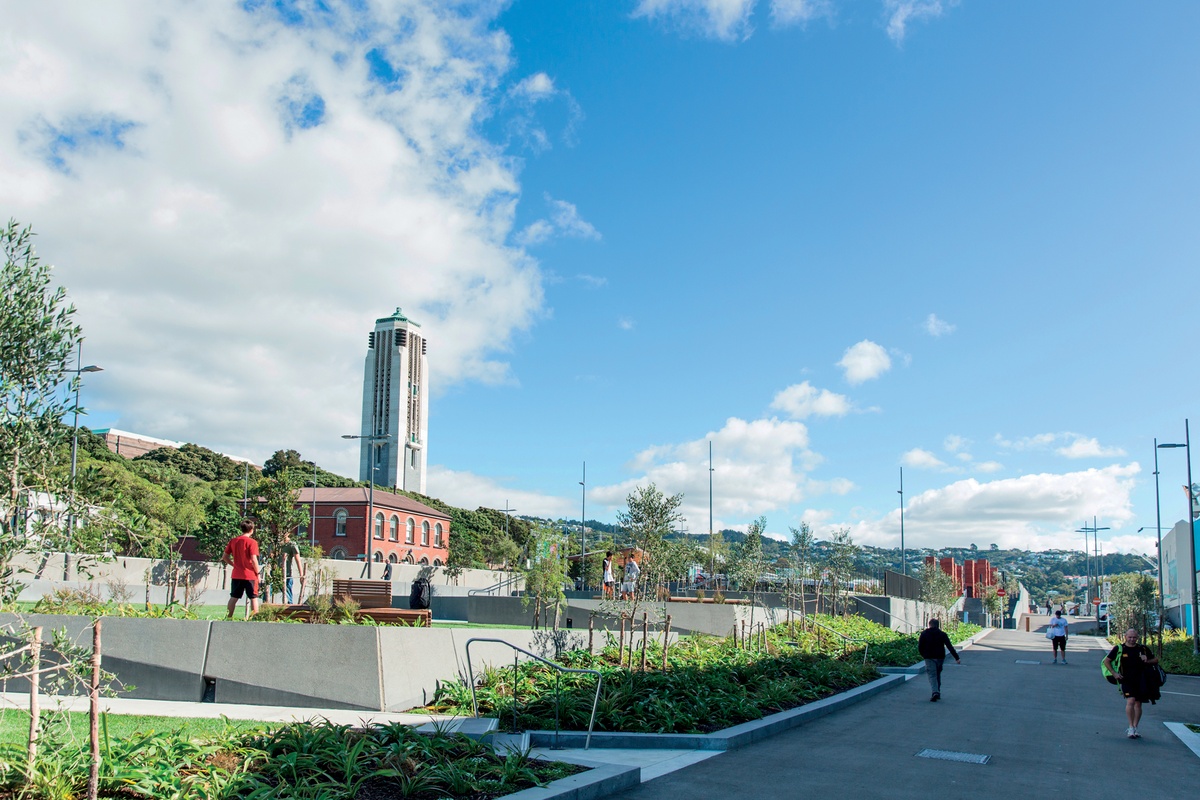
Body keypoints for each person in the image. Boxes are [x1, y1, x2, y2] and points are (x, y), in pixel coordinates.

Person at [1103, 628, 1160, 739]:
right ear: (1125, 637)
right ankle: (1130, 727)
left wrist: (1146, 660)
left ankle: (1135, 727)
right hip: (1126, 679)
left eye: (1134, 637)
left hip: (1141, 680)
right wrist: (1114, 673)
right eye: (1130, 637)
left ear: (1137, 638)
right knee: (1131, 700)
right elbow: (1107, 661)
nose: (1132, 639)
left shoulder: (1142, 649)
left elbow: (1155, 660)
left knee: (1138, 704)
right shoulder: (1120, 648)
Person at [223, 519, 261, 619]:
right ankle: (254, 618)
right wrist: (258, 573)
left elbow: (225, 557)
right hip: (250, 575)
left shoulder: (234, 541)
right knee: (253, 597)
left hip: (236, 574)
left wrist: (234, 565)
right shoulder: (252, 542)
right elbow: (254, 559)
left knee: (234, 597)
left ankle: (228, 617)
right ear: (252, 529)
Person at [918, 618, 961, 702]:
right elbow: (949, 646)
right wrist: (957, 658)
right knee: (937, 674)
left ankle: (935, 692)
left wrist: (924, 655)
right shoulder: (942, 634)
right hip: (940, 657)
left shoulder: (924, 634)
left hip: (929, 657)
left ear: (929, 624)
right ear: (938, 625)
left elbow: (920, 647)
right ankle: (938, 691)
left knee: (932, 675)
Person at [280, 531, 305, 604]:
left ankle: (290, 612)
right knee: (267, 594)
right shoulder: (276, 544)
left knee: (288, 596)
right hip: (275, 573)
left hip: (287, 574)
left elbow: (298, 560)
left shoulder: (291, 545)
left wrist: (301, 575)